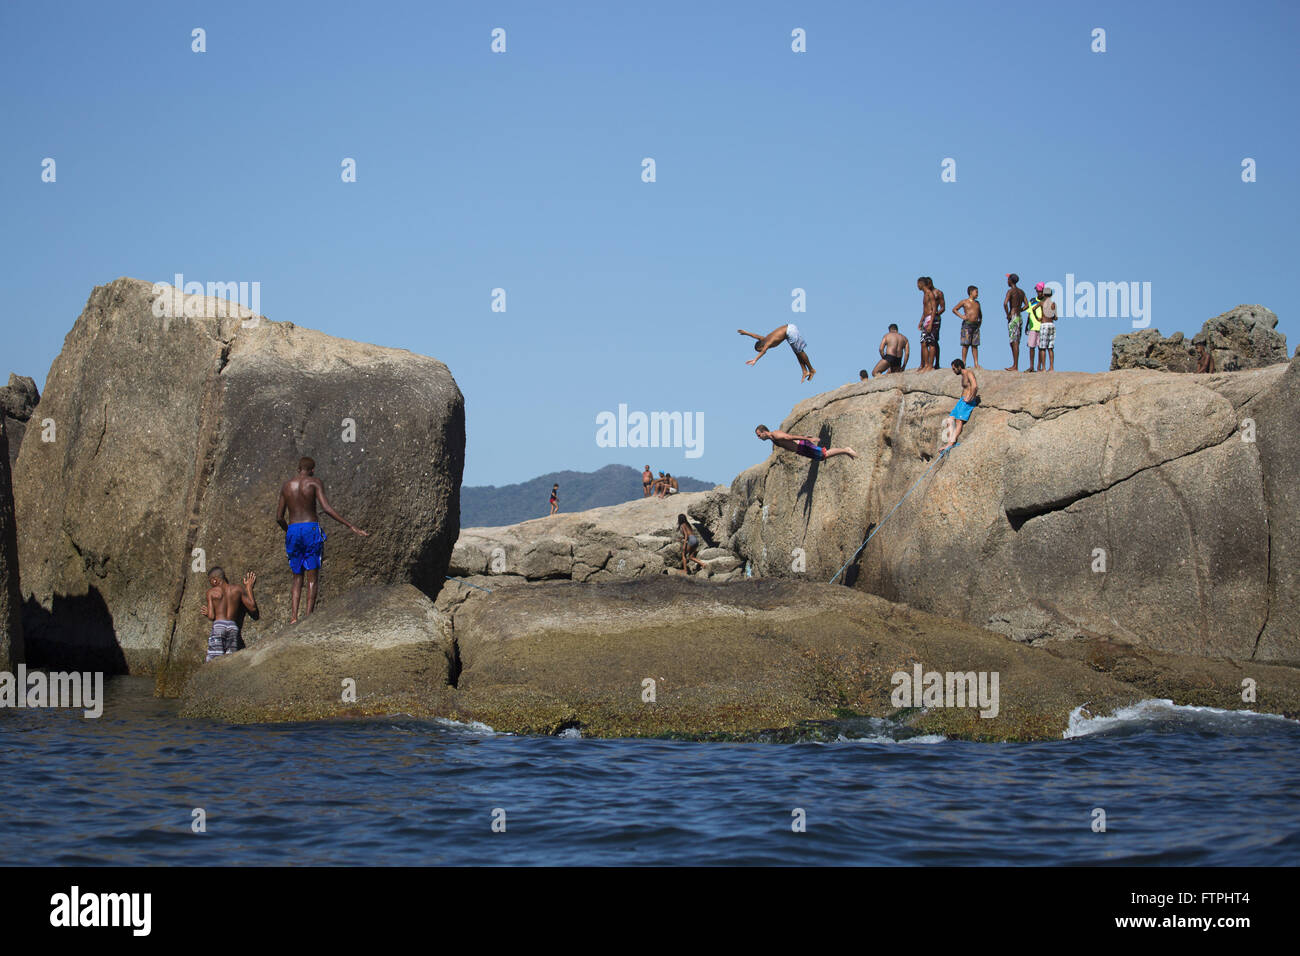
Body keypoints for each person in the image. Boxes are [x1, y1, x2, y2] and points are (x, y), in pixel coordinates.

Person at [276, 456, 369, 624]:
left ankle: (293, 617)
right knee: (312, 577)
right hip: (310, 528)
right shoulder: (314, 482)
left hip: (293, 529)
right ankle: (308, 617)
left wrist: (288, 531)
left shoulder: (286, 486)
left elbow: (279, 517)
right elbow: (326, 508)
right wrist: (350, 525)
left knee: (297, 576)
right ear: (312, 470)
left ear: (298, 469)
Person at [200, 567, 257, 661]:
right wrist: (248, 587)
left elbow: (211, 616)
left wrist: (208, 613)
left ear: (214, 580)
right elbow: (252, 607)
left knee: (214, 661)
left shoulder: (211, 592)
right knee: (229, 661)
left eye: (210, 581)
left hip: (219, 627)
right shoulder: (237, 589)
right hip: (232, 627)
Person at [738, 325, 816, 382]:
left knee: (799, 352)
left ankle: (811, 370)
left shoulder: (767, 343)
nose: (766, 349)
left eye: (759, 350)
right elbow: (755, 336)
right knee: (797, 352)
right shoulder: (764, 339)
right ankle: (805, 371)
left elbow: (763, 351)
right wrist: (746, 333)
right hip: (788, 330)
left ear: (761, 347)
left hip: (790, 331)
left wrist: (755, 360)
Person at [755, 425, 857, 461]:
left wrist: (806, 439)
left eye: (759, 435)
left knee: (824, 454)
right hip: (801, 449)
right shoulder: (773, 439)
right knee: (822, 457)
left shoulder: (775, 434)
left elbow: (789, 437)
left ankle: (846, 450)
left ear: (764, 432)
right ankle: (845, 451)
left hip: (802, 446)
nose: (759, 438)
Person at [941, 360, 979, 451]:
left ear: (959, 367)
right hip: (962, 401)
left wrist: (970, 397)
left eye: (954, 369)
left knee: (959, 421)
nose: (953, 371)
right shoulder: (962, 375)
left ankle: (951, 443)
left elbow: (975, 386)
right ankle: (950, 440)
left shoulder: (969, 373)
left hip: (967, 401)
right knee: (950, 419)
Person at [917, 277, 945, 369]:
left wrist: (933, 318)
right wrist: (921, 321)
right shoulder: (925, 294)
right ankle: (924, 364)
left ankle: (932, 364)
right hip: (927, 318)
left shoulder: (936, 293)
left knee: (932, 342)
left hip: (933, 318)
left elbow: (940, 308)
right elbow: (925, 310)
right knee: (924, 342)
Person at [953, 286, 982, 369]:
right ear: (971, 292)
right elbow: (955, 309)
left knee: (975, 345)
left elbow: (980, 314)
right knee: (965, 345)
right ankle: (964, 362)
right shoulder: (964, 302)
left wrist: (980, 322)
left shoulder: (977, 303)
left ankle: (976, 363)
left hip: (975, 325)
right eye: (976, 292)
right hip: (967, 325)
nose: (977, 294)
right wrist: (962, 316)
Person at [1003, 273, 1028, 371]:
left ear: (1010, 281)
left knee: (1014, 342)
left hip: (1013, 316)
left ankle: (1015, 366)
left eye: (1008, 279)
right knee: (1016, 341)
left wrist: (1008, 314)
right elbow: (1027, 305)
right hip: (1019, 317)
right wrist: (1020, 309)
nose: (1007, 281)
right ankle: (1015, 365)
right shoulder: (1021, 292)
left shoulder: (1010, 291)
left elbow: (1005, 303)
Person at [1024, 282, 1045, 372]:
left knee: (1041, 347)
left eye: (1040, 291)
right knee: (1031, 347)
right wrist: (1026, 325)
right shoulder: (1032, 301)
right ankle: (1031, 366)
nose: (1038, 293)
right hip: (1032, 327)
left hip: (1042, 326)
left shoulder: (1045, 302)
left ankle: (1039, 367)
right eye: (1037, 291)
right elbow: (1029, 314)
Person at [1037, 287, 1058, 371]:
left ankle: (1044, 368)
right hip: (1051, 324)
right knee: (1050, 347)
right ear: (1051, 294)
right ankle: (1052, 367)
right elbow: (1056, 318)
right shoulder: (1053, 304)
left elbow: (1034, 309)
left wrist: (1039, 317)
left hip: (1044, 324)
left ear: (1044, 294)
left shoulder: (1042, 303)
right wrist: (1051, 316)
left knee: (1042, 347)